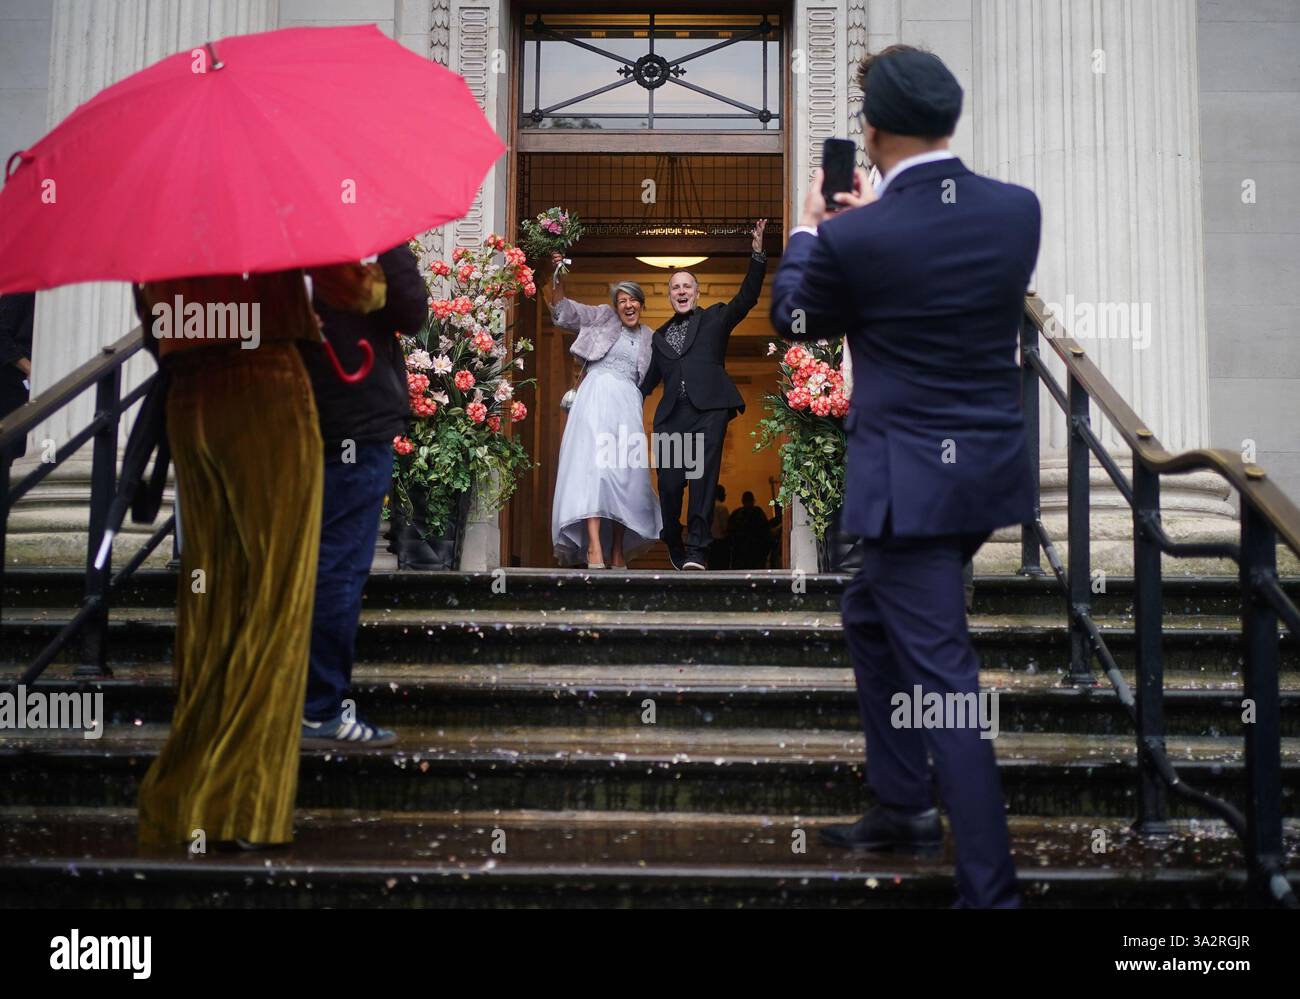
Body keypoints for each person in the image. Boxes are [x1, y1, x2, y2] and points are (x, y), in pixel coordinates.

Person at [769, 45, 1041, 908]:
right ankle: (902, 805)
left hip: (906, 489)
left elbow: (798, 321)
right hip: (983, 476)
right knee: (867, 614)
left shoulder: (855, 235)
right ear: (950, 121)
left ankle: (988, 890)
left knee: (947, 681)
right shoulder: (1016, 212)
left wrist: (814, 227)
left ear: (871, 132)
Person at [135, 264, 385, 849]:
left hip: (189, 392)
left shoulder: (164, 200)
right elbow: (356, 287)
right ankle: (242, 805)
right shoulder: (266, 182)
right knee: (277, 599)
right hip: (265, 384)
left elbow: (151, 318)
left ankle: (182, 797)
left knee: (211, 606)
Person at [299, 245, 427, 746]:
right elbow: (411, 309)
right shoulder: (364, 222)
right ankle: (318, 705)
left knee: (298, 562)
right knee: (339, 562)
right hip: (352, 413)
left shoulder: (268, 217)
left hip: (282, 408)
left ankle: (282, 698)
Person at [641, 221, 768, 570]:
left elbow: (748, 298)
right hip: (671, 418)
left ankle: (698, 550)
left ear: (696, 293)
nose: (681, 291)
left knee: (701, 481)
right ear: (670, 296)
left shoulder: (715, 318)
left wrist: (757, 256)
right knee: (669, 485)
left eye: (687, 286)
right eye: (675, 287)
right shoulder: (660, 337)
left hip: (709, 410)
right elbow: (648, 381)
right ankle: (672, 537)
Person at [547, 251, 661, 568]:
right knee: (593, 473)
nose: (628, 305)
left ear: (641, 304)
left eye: (633, 300)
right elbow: (563, 311)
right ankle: (595, 547)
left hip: (628, 405)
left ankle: (617, 550)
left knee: (625, 477)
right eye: (622, 300)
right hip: (595, 399)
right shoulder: (602, 318)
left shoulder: (651, 337)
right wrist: (558, 272)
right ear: (616, 305)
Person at [0, 291, 33, 468]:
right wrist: (29, 367)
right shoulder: (25, 292)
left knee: (46, 445)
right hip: (15, 384)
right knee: (12, 451)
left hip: (35, 387)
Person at [727, 490, 770, 569]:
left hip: (741, 551)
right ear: (753, 501)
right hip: (755, 551)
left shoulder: (737, 513)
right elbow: (765, 531)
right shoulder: (757, 512)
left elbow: (730, 531)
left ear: (742, 501)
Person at [708, 484, 731, 569]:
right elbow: (725, 527)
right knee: (722, 566)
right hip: (721, 542)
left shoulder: (707, 506)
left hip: (709, 542)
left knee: (712, 567)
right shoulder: (722, 507)